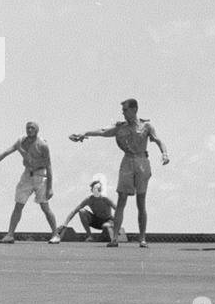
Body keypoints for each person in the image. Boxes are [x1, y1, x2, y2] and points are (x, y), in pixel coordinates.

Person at [70, 98, 169, 248]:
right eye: (122, 110)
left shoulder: (146, 126)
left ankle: (142, 238)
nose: (123, 113)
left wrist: (164, 153)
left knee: (141, 202)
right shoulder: (120, 127)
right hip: (127, 162)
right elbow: (103, 131)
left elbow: (158, 140)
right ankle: (114, 238)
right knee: (122, 199)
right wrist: (84, 133)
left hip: (142, 161)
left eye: (125, 110)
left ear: (134, 109)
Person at [0, 121, 59, 244]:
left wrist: (50, 187)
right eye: (28, 128)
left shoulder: (42, 145)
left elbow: (49, 166)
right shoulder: (21, 141)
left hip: (41, 175)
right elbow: (5, 153)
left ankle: (55, 234)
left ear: (37, 130)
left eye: (32, 128)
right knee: (18, 205)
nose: (29, 130)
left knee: (45, 206)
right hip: (27, 175)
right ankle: (10, 235)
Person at [52, 175, 117, 243]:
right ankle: (90, 236)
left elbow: (118, 210)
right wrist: (65, 224)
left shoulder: (105, 199)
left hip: (108, 221)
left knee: (106, 226)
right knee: (82, 211)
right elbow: (74, 211)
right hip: (96, 221)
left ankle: (111, 235)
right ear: (91, 190)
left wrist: (116, 224)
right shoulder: (89, 199)